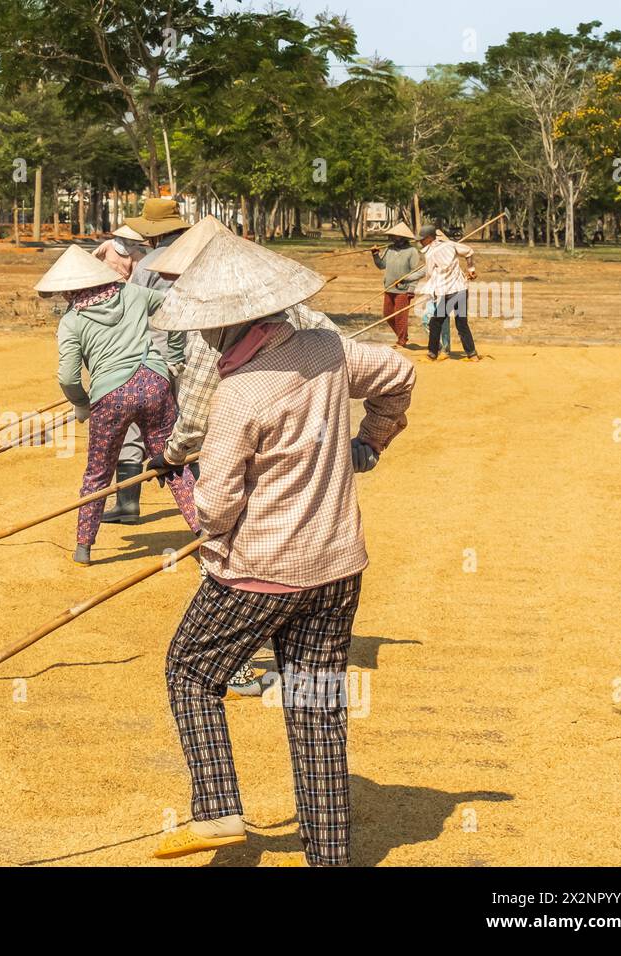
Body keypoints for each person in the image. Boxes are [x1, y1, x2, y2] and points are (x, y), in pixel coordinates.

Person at [150, 232, 415, 865]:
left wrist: (198, 499)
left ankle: (216, 810)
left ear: (225, 324)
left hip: (261, 573)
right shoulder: (326, 347)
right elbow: (399, 373)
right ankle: (328, 855)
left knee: (189, 672)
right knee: (315, 705)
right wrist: (368, 442)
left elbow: (214, 509)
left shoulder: (240, 394)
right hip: (337, 566)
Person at [150, 222, 341, 700]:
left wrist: (169, 457)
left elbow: (194, 419)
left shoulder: (210, 336)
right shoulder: (301, 317)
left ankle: (227, 661)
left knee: (224, 550)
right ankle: (289, 652)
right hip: (309, 455)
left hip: (240, 457)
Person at [35, 246, 200, 566]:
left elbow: (68, 377)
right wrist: (174, 358)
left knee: (98, 472)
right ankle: (200, 530)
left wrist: (81, 404)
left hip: (110, 398)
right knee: (172, 461)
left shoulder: (71, 321)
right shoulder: (134, 293)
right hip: (154, 383)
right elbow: (173, 306)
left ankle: (84, 546)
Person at [95, 197, 192, 526]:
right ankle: (205, 504)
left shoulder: (149, 262)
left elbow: (129, 308)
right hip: (203, 352)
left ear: (152, 235)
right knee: (195, 423)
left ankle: (127, 502)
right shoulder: (199, 256)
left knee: (136, 422)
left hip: (155, 354)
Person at [418, 224, 480, 361]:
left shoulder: (430, 253)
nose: (420, 242)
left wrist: (432, 291)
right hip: (462, 290)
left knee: (435, 322)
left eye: (422, 239)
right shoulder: (450, 244)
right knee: (461, 323)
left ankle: (432, 354)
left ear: (429, 238)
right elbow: (469, 252)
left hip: (448, 293)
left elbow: (429, 275)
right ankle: (472, 355)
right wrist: (471, 270)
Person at [370, 222, 424, 349]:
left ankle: (401, 341)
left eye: (396, 236)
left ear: (403, 237)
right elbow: (381, 265)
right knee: (387, 314)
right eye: (392, 236)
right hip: (389, 287)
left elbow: (415, 271)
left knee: (400, 316)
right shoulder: (389, 249)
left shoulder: (412, 251)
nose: (393, 239)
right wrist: (375, 254)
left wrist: (411, 288)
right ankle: (402, 336)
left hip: (404, 290)